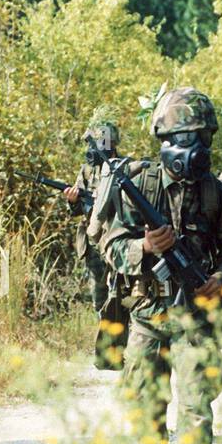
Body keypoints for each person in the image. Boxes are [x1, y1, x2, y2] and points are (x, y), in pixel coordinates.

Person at [101, 86, 222, 444]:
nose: (190, 148)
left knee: (196, 411)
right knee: (145, 408)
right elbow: (109, 246)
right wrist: (145, 247)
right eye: (181, 139)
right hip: (148, 315)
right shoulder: (138, 185)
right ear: (164, 141)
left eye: (199, 138)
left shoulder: (217, 194)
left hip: (196, 318)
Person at [64, 108, 129, 369]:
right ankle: (108, 350)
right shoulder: (87, 172)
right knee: (100, 297)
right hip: (93, 244)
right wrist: (73, 201)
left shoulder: (124, 168)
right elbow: (78, 209)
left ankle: (123, 347)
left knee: (124, 294)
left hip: (119, 240)